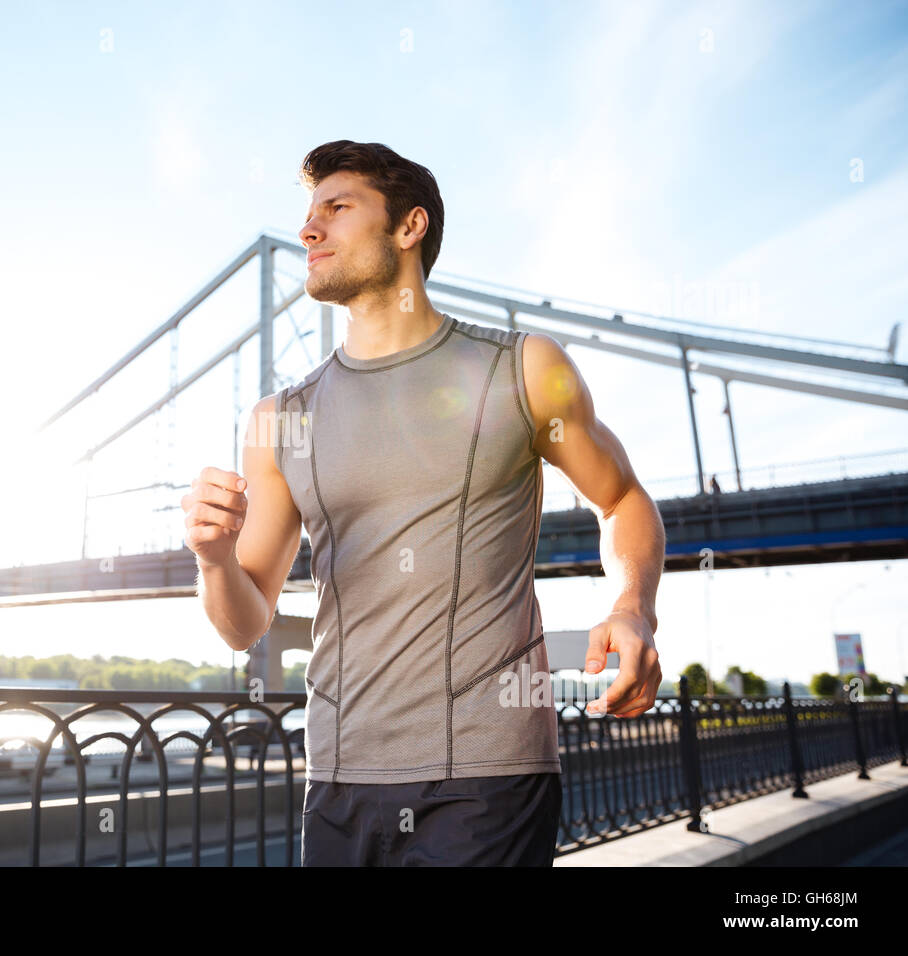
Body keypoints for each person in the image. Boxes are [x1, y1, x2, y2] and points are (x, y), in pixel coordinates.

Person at [181, 140, 665, 867]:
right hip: (337, 776)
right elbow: (243, 617)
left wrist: (632, 606)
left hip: (486, 775)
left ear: (410, 228)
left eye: (337, 209)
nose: (309, 230)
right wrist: (213, 559)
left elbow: (622, 498)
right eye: (307, 214)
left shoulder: (523, 368)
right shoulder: (278, 418)